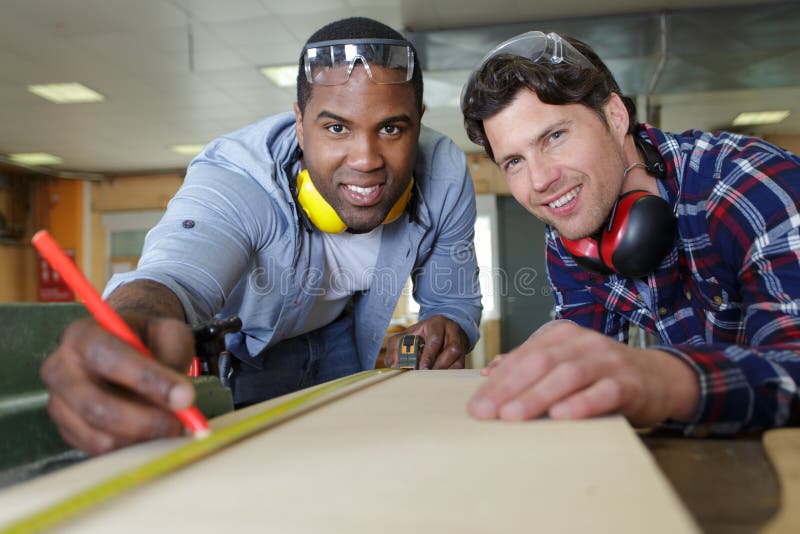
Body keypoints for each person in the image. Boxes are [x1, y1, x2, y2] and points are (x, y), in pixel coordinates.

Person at [41, 17, 482, 455]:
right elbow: (172, 277)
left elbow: (452, 303)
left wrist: (449, 329)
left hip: (342, 341)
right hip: (252, 353)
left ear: (417, 124)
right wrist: (130, 323)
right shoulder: (240, 177)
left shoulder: (442, 174)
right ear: (299, 123)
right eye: (336, 128)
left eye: (391, 128)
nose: (365, 159)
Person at [460, 30, 800, 436]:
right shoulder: (572, 229)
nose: (540, 181)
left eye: (554, 137)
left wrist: (659, 378)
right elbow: (591, 355)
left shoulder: (754, 186)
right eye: (514, 161)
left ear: (616, 116)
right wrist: (560, 346)